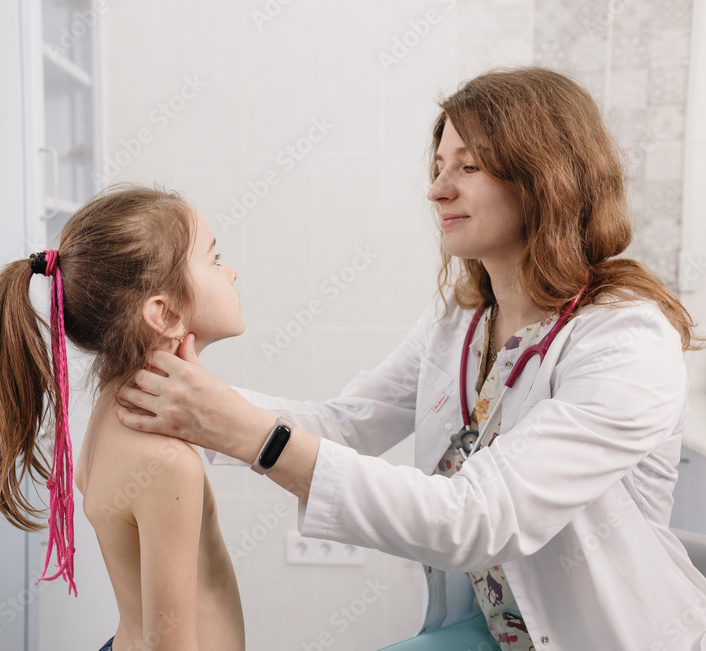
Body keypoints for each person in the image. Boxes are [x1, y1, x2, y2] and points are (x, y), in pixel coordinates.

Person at [115, 67, 706, 650]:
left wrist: (251, 436)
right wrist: (190, 403)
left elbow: (476, 518)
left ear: (545, 181)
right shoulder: (462, 318)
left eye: (469, 167)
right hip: (491, 630)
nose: (437, 189)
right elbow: (350, 423)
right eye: (439, 166)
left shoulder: (625, 342)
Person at [0, 185, 247, 651]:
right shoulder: (166, 461)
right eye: (215, 259)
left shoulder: (114, 402)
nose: (232, 273)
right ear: (165, 312)